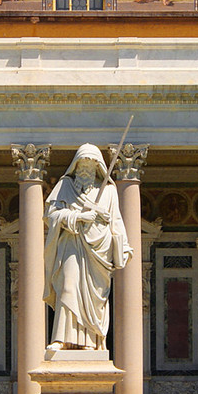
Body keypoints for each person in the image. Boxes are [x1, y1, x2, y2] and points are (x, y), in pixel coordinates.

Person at [44, 143, 131, 350]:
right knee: (68, 287)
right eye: (82, 165)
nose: (85, 170)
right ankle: (61, 339)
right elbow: (51, 215)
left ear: (97, 167)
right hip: (71, 244)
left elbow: (116, 221)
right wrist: (79, 216)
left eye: (90, 166)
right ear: (75, 166)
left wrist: (124, 246)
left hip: (98, 250)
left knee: (94, 298)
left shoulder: (108, 191)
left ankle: (89, 342)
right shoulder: (65, 186)